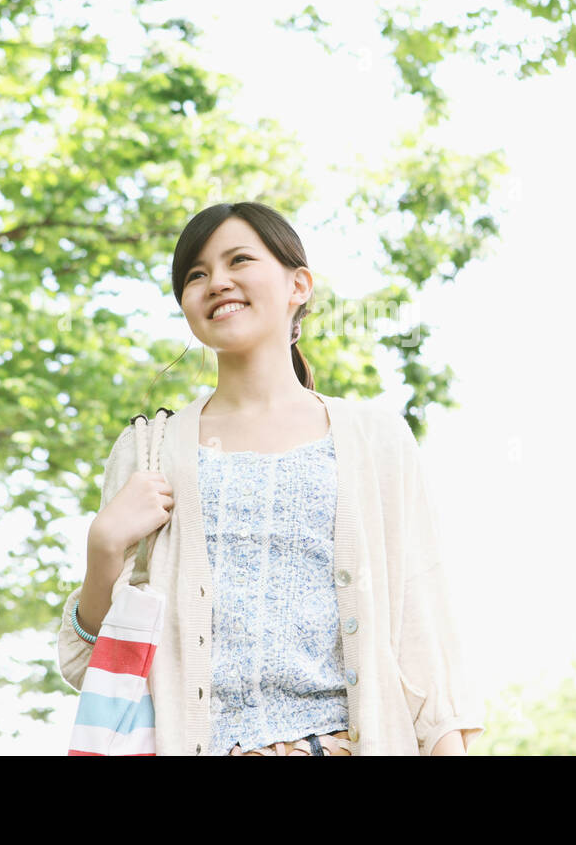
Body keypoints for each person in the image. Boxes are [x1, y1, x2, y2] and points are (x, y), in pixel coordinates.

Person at [58, 201, 484, 755]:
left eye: (239, 260)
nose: (217, 282)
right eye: (196, 274)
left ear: (298, 285)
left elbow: (421, 623)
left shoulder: (376, 439)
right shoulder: (148, 452)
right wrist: (103, 549)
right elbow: (87, 662)